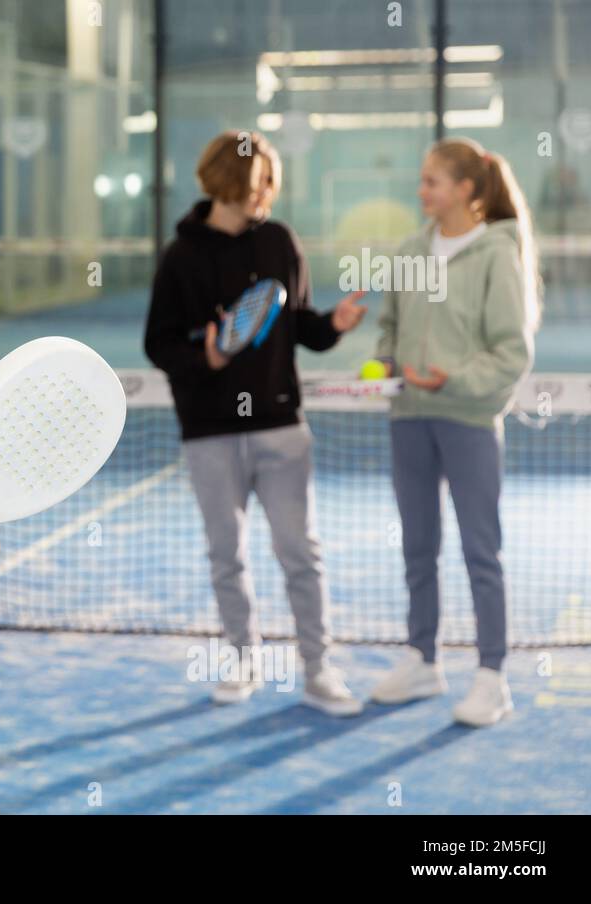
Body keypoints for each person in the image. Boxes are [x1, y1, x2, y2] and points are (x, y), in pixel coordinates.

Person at [144, 130, 368, 715]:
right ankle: (244, 660)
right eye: (261, 179)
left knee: (300, 553)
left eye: (272, 180)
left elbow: (299, 326)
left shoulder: (280, 242)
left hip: (280, 427)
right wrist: (208, 360)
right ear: (230, 180)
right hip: (209, 431)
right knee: (227, 556)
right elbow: (158, 344)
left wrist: (335, 323)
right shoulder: (180, 258)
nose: (269, 190)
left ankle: (318, 669)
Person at [370, 138, 539, 727]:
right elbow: (389, 327)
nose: (421, 192)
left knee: (479, 551)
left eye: (431, 182)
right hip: (409, 418)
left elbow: (511, 351)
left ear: (467, 189)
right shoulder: (410, 250)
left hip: (468, 420)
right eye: (422, 181)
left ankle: (492, 677)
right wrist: (386, 362)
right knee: (418, 546)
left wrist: (454, 381)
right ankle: (423, 660)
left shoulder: (498, 253)